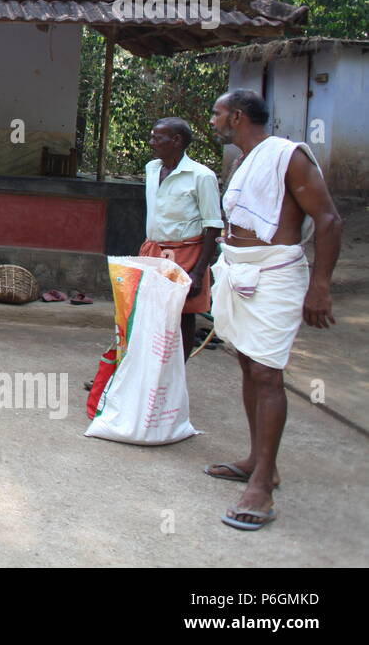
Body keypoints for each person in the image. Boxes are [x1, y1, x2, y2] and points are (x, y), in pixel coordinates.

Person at [206, 89, 342, 531]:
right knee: (248, 363)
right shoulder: (247, 159)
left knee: (267, 373)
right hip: (241, 270)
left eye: (218, 113)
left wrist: (320, 285)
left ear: (238, 117)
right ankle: (257, 461)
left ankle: (262, 484)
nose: (212, 120)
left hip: (276, 274)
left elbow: (328, 220)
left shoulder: (289, 155)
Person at [139, 117, 222, 360]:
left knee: (182, 314)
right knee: (147, 313)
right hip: (153, 250)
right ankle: (146, 371)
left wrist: (198, 272)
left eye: (157, 137)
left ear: (176, 141)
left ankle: (175, 374)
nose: (151, 142)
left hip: (185, 254)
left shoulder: (201, 176)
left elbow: (213, 226)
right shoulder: (152, 169)